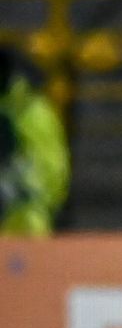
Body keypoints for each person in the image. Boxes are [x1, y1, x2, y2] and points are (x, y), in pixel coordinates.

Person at [0, 47, 70, 237]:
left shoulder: (22, 112)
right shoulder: (35, 106)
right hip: (31, 206)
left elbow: (49, 163)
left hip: (24, 208)